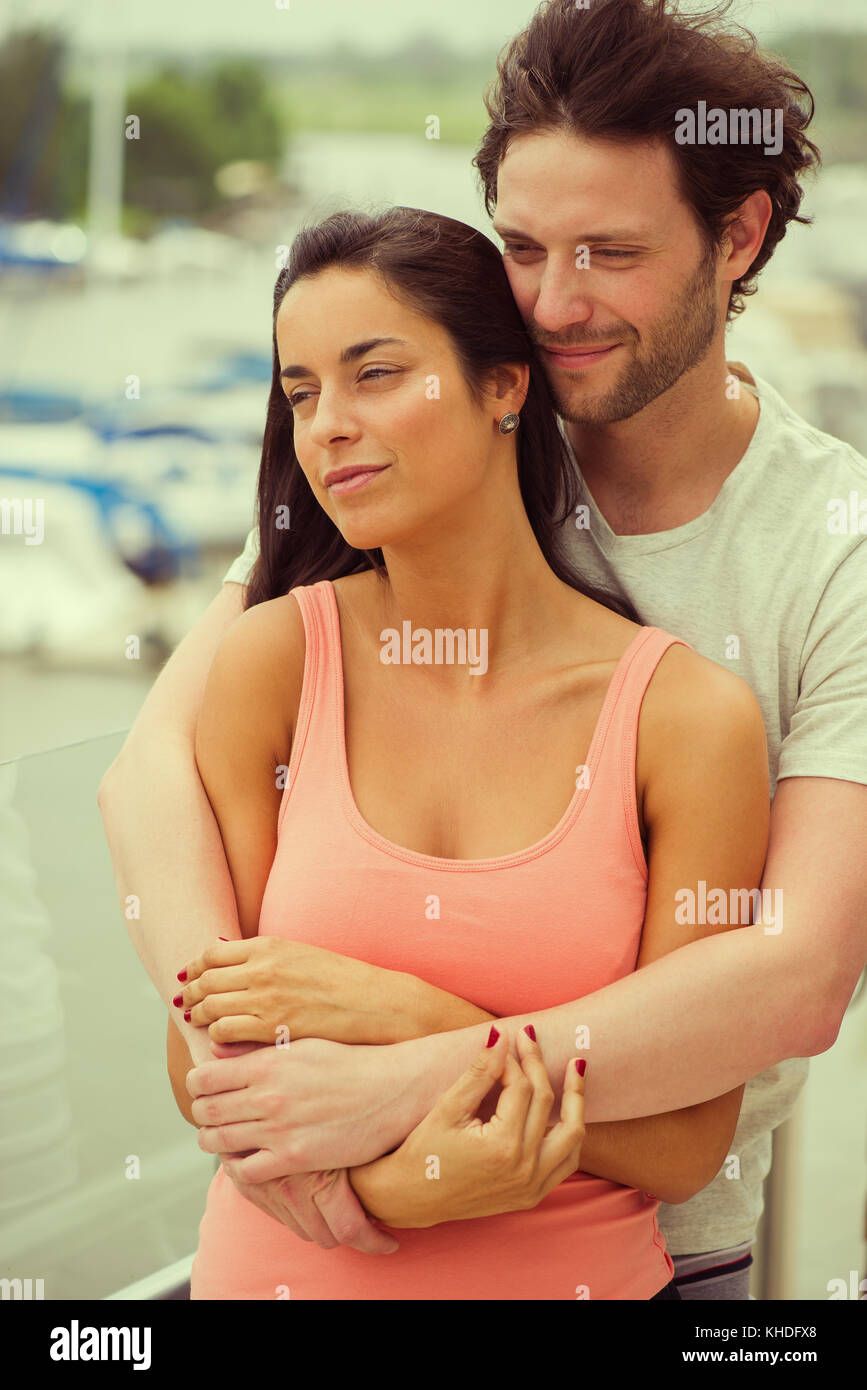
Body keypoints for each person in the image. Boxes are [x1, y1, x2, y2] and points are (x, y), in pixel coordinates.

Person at [98, 0, 867, 1300]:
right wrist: (250, 1077)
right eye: (520, 246)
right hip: (308, 1199)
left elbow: (792, 973)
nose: (553, 304)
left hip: (664, 1248)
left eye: (608, 252)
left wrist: (423, 1051)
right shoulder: (430, 438)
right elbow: (150, 769)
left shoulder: (833, 545)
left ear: (734, 238)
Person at [173, 201, 765, 1299]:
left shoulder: (685, 719)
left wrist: (414, 1021)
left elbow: (687, 1138)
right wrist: (415, 1187)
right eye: (301, 394)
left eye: (376, 374)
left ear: (505, 385)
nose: (328, 426)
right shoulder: (271, 665)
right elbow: (208, 1074)